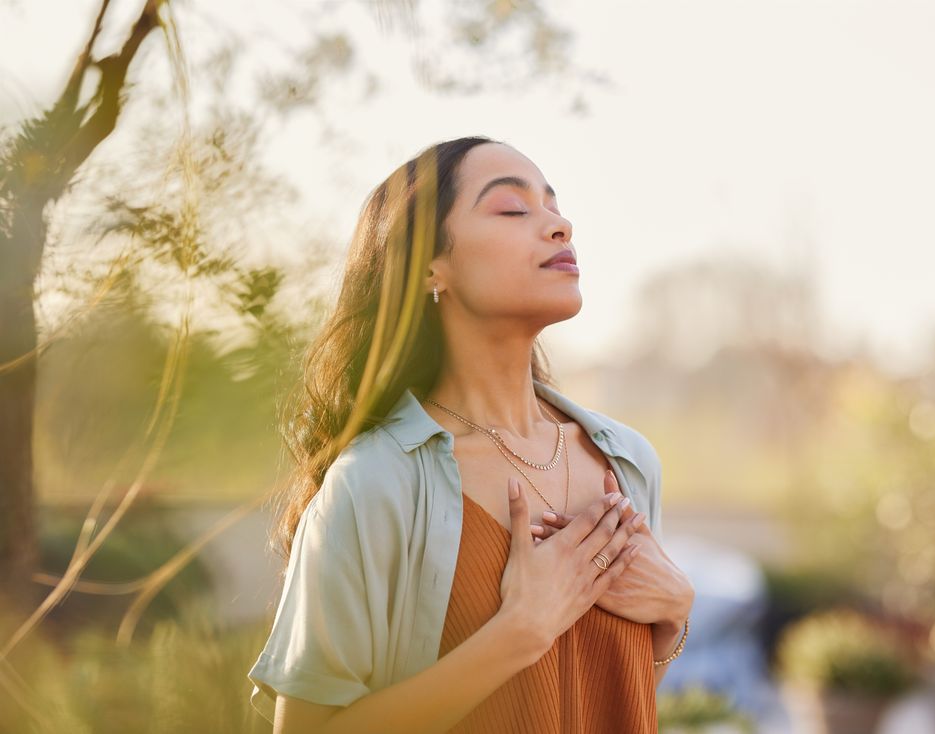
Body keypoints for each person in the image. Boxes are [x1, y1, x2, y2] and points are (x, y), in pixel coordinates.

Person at [247, 135, 695, 733]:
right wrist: (518, 633)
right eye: (513, 209)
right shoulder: (374, 483)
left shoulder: (629, 461)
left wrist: (672, 618)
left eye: (554, 206)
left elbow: (606, 696)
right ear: (432, 267)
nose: (560, 225)